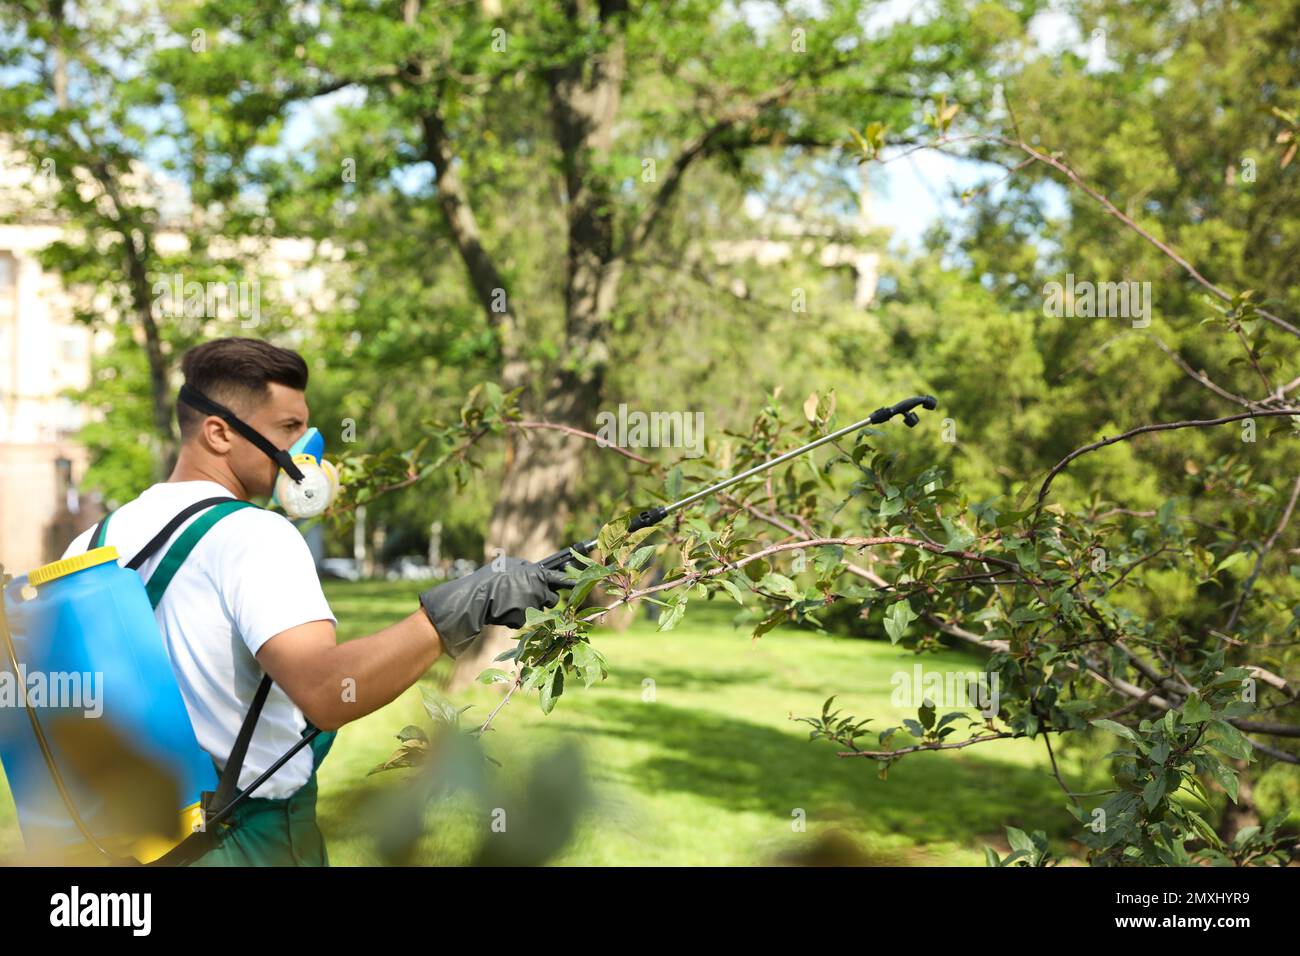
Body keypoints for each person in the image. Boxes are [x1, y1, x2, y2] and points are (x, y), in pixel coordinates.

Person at [60, 337, 568, 865]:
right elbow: (327, 691)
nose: (306, 449)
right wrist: (457, 611)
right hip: (244, 841)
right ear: (218, 433)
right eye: (288, 429)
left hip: (127, 842)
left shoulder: (94, 541)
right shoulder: (254, 535)